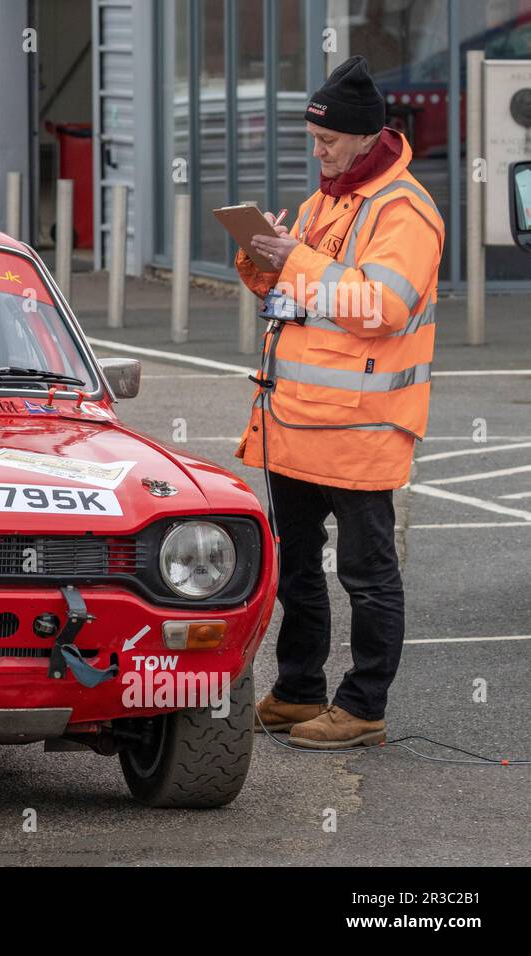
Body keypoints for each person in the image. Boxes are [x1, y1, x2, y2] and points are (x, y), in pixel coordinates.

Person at [236, 55, 444, 750]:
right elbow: (292, 298)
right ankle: (299, 690)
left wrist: (293, 257)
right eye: (313, 138)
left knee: (366, 574)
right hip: (295, 419)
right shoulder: (328, 196)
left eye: (326, 140)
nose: (316, 150)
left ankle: (363, 708)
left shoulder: (404, 209)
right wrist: (259, 257)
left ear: (364, 137)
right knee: (296, 565)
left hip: (361, 425)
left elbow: (378, 306)